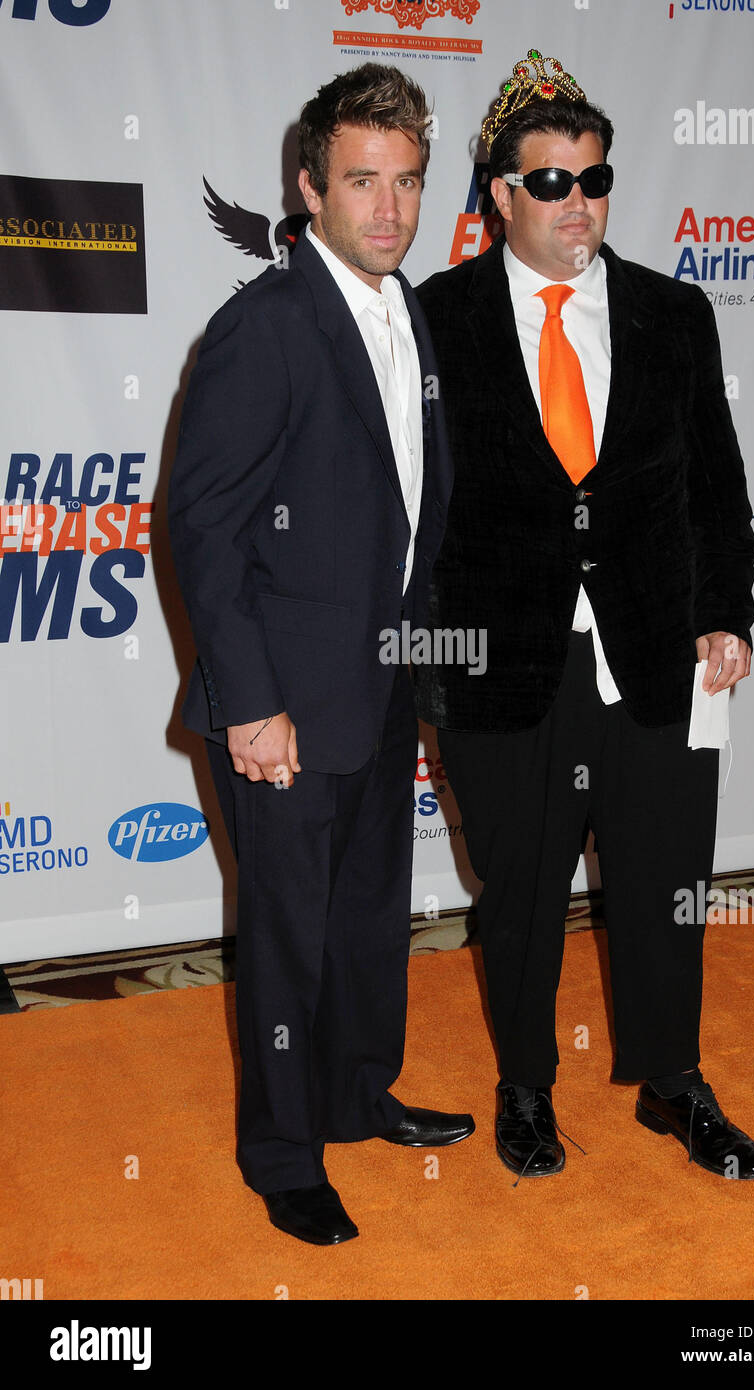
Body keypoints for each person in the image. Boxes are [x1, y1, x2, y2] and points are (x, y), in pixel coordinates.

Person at [412, 49, 754, 1182]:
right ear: (501, 196)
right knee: (517, 892)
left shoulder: (673, 312)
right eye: (552, 181)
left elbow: (713, 479)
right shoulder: (436, 319)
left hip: (651, 647)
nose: (580, 202)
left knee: (668, 875)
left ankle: (673, 1082)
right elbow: (413, 505)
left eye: (595, 177)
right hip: (500, 656)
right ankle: (526, 1084)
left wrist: (725, 606)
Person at [168, 62, 472, 1247]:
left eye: (405, 181)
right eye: (362, 181)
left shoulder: (412, 313)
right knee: (288, 936)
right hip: (282, 705)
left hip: (379, 684)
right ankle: (283, 1155)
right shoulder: (266, 326)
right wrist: (250, 703)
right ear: (309, 187)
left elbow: (411, 509)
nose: (388, 208)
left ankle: (354, 1095)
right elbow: (206, 526)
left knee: (362, 919)